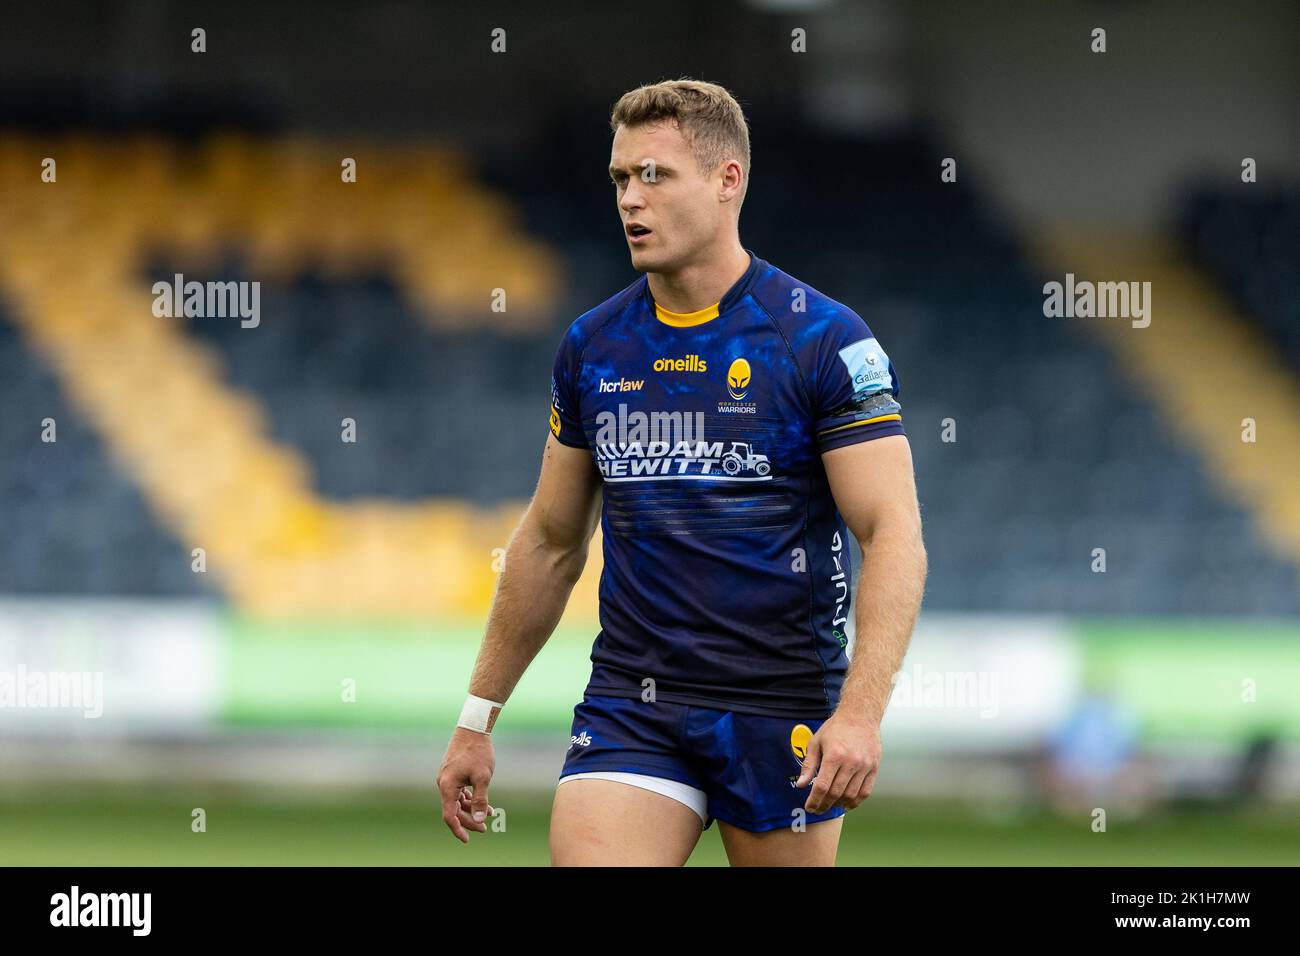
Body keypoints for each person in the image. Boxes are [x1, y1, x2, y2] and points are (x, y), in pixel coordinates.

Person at [437, 79, 926, 866]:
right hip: (634, 702)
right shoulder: (595, 347)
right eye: (620, 179)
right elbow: (552, 540)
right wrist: (477, 715)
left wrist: (861, 714)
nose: (631, 199)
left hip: (779, 704)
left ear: (728, 181)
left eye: (654, 175)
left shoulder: (825, 341)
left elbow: (892, 532)